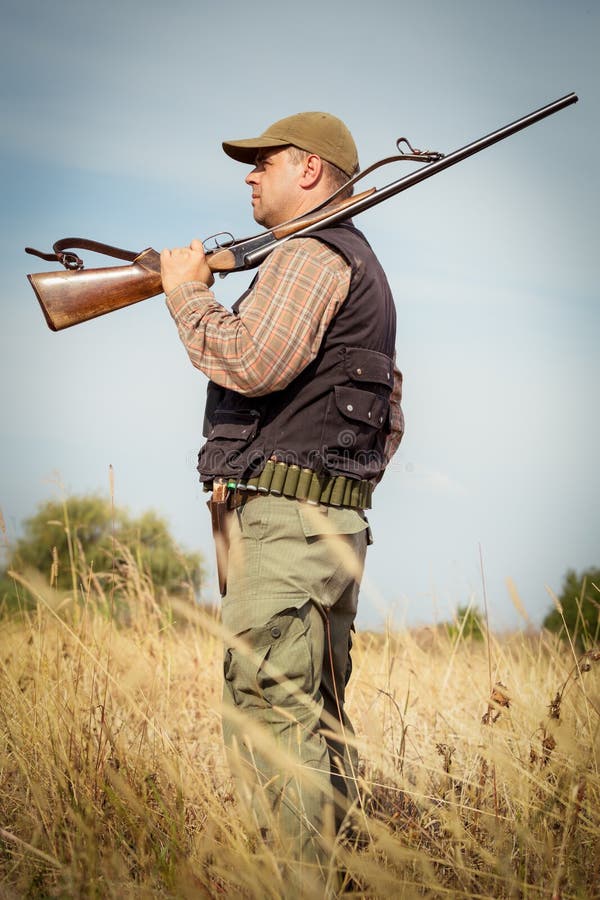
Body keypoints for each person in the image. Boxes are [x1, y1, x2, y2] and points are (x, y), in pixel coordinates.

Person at [160, 111, 404, 892]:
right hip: (331, 524)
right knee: (315, 721)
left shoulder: (307, 253)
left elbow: (252, 361)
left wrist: (186, 295)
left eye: (262, 162)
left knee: (270, 719)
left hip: (285, 524)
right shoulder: (360, 264)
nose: (247, 176)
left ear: (309, 169)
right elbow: (389, 418)